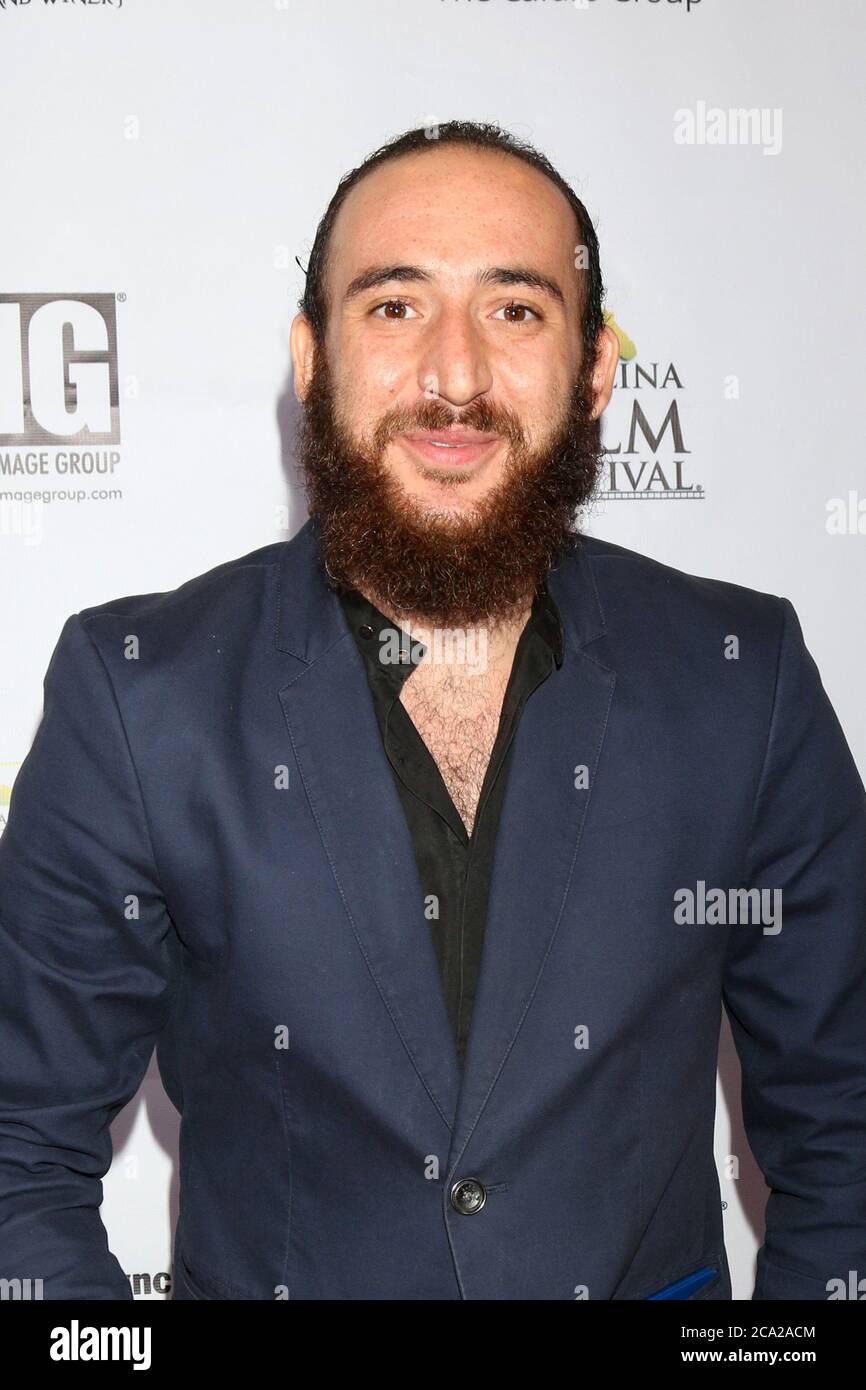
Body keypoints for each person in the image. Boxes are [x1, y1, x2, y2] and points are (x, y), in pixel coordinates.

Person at [1, 121, 864, 1301]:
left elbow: (847, 1124)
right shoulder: (139, 690)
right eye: (392, 306)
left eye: (514, 310)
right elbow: (16, 1152)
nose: (452, 376)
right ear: (310, 360)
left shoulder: (739, 675)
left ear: (597, 368)